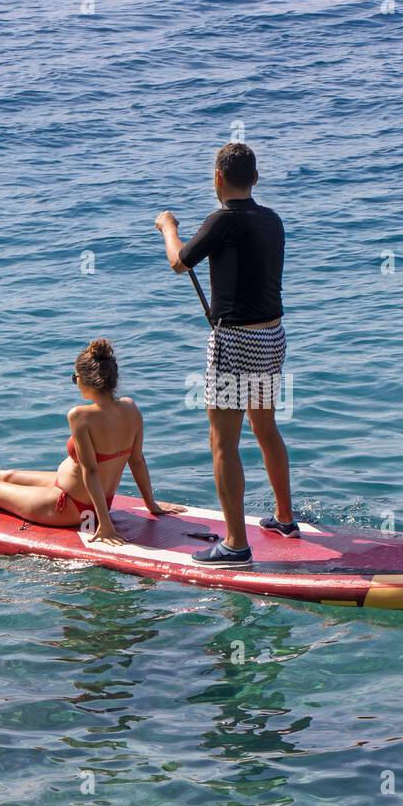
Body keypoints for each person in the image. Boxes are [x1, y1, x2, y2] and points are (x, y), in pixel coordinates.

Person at [154, 142, 297, 567]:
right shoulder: (272, 219)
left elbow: (179, 262)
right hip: (272, 336)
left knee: (223, 441)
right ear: (254, 179)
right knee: (265, 427)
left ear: (218, 177)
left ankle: (235, 544)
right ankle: (284, 519)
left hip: (235, 342)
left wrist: (167, 225)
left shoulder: (222, 219)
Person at [0, 338, 182, 545]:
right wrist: (151, 504)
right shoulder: (131, 407)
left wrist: (104, 524)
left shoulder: (80, 416)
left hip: (70, 507)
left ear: (85, 380)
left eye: (74, 377)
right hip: (75, 491)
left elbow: (92, 472)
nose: (74, 382)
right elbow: (138, 461)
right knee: (9, 475)